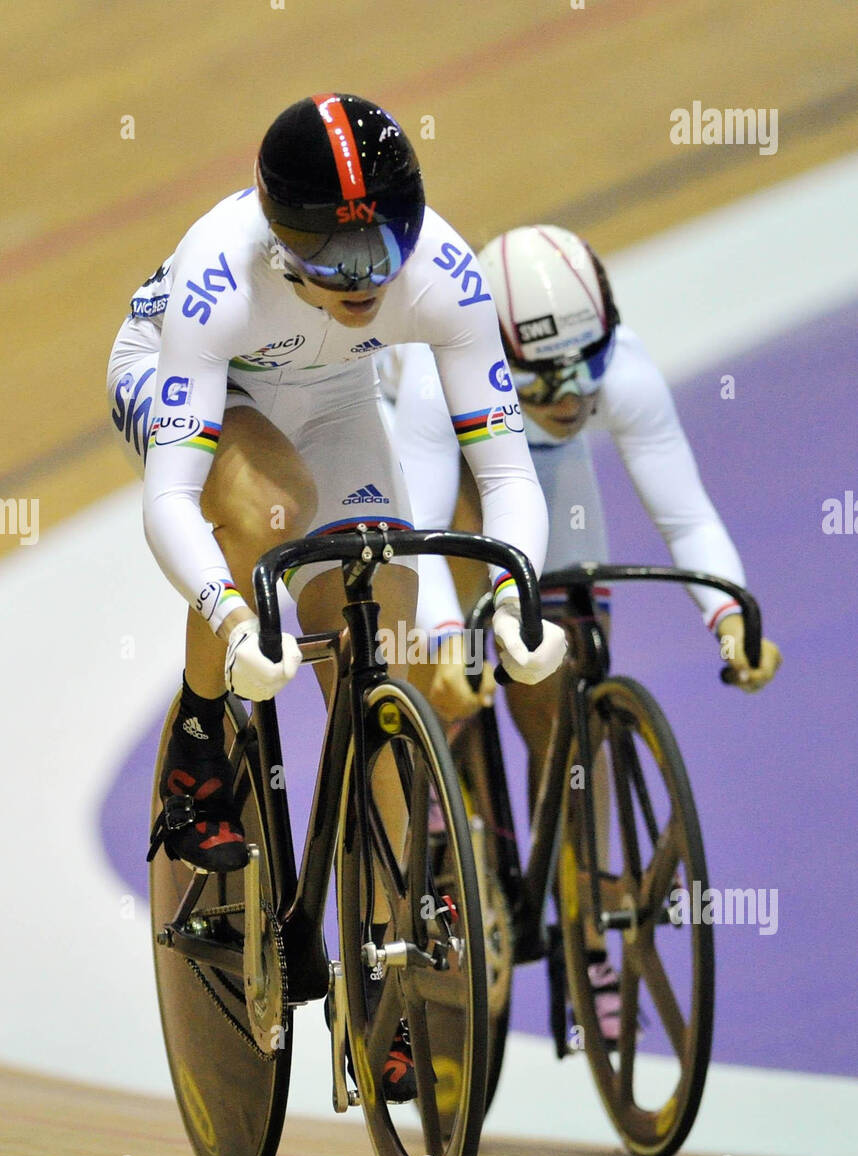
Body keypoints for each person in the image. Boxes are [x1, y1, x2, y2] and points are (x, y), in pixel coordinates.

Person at [106, 95, 565, 1099]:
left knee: (382, 656)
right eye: (328, 253)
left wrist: (508, 598)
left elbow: (509, 471)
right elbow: (170, 505)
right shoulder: (216, 275)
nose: (361, 280)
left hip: (340, 404)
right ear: (279, 237)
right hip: (197, 385)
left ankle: (387, 971)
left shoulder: (443, 273)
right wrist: (230, 617)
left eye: (380, 249)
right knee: (272, 507)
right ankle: (197, 748)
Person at [383, 224, 782, 1046]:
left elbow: (687, 512)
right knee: (438, 641)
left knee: (560, 669)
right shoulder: (436, 379)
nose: (570, 396)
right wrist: (447, 649)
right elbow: (417, 534)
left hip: (538, 475)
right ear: (498, 358)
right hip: (428, 455)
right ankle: (437, 803)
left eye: (584, 369)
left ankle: (589, 910)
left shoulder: (623, 372)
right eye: (543, 377)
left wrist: (732, 619)